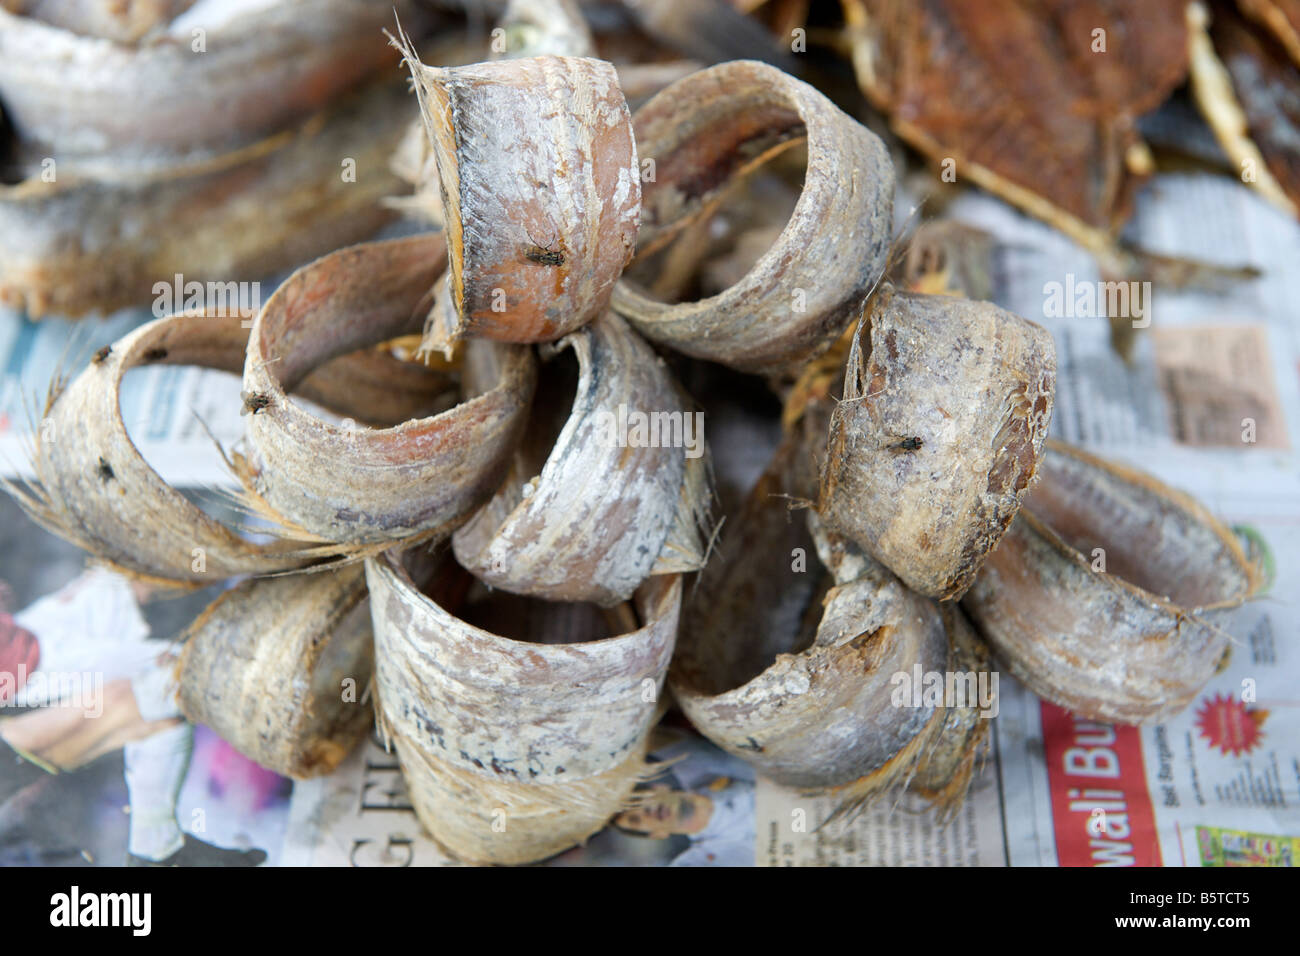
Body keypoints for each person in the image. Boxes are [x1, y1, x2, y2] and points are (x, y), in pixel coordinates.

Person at [0, 564, 265, 866]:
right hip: (23, 687)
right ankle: (157, 853)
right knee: (171, 680)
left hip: (30, 634)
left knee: (119, 575)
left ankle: (157, 849)